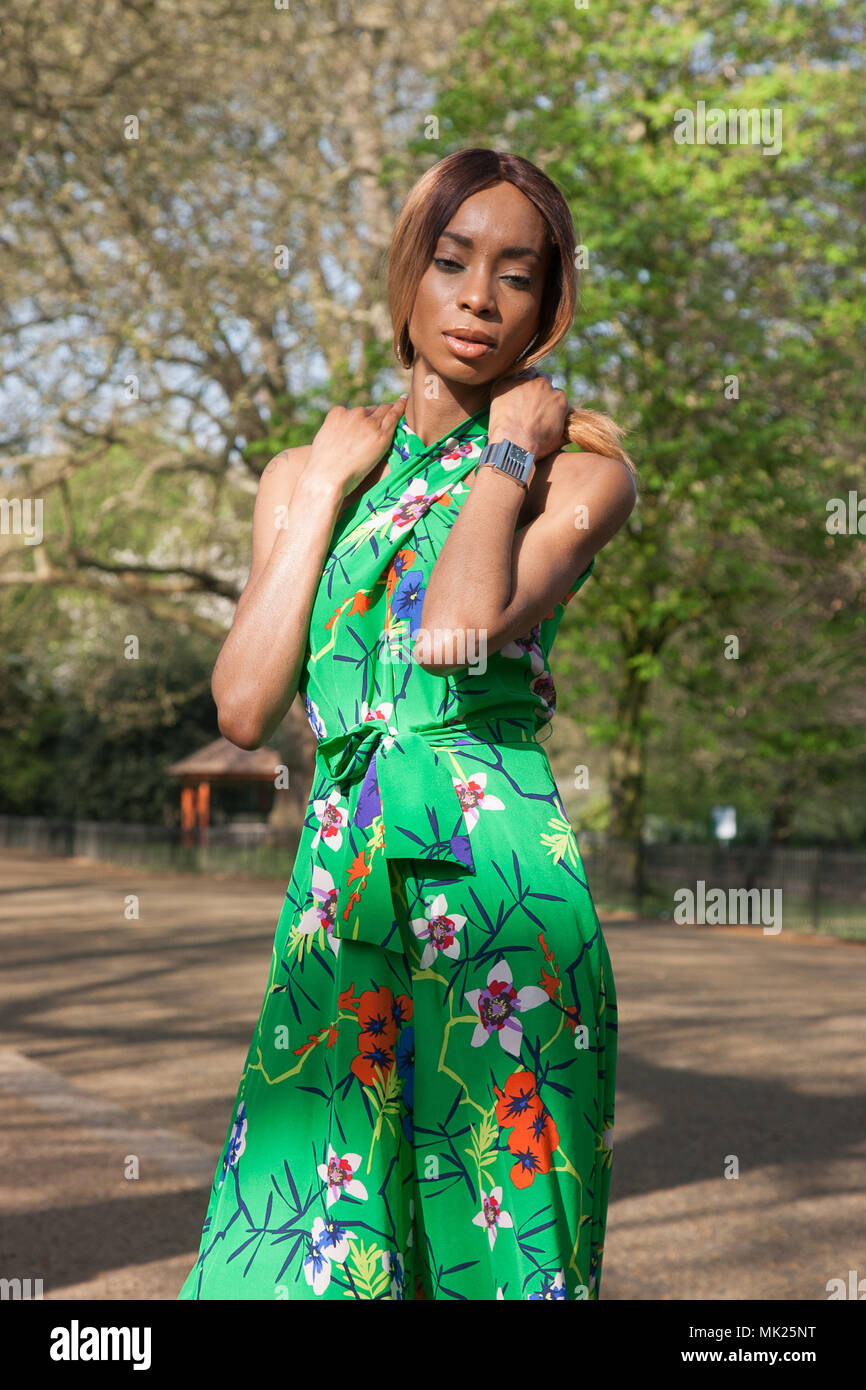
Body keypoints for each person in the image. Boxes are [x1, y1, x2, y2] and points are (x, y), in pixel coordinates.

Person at [178, 147, 637, 1301]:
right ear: (407, 274)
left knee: (500, 1256)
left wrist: (506, 454)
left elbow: (464, 624)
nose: (480, 298)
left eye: (516, 275)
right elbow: (241, 704)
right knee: (298, 1246)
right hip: (341, 887)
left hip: (497, 892)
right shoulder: (305, 469)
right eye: (452, 261)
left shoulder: (575, 473)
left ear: (548, 303)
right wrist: (327, 487)